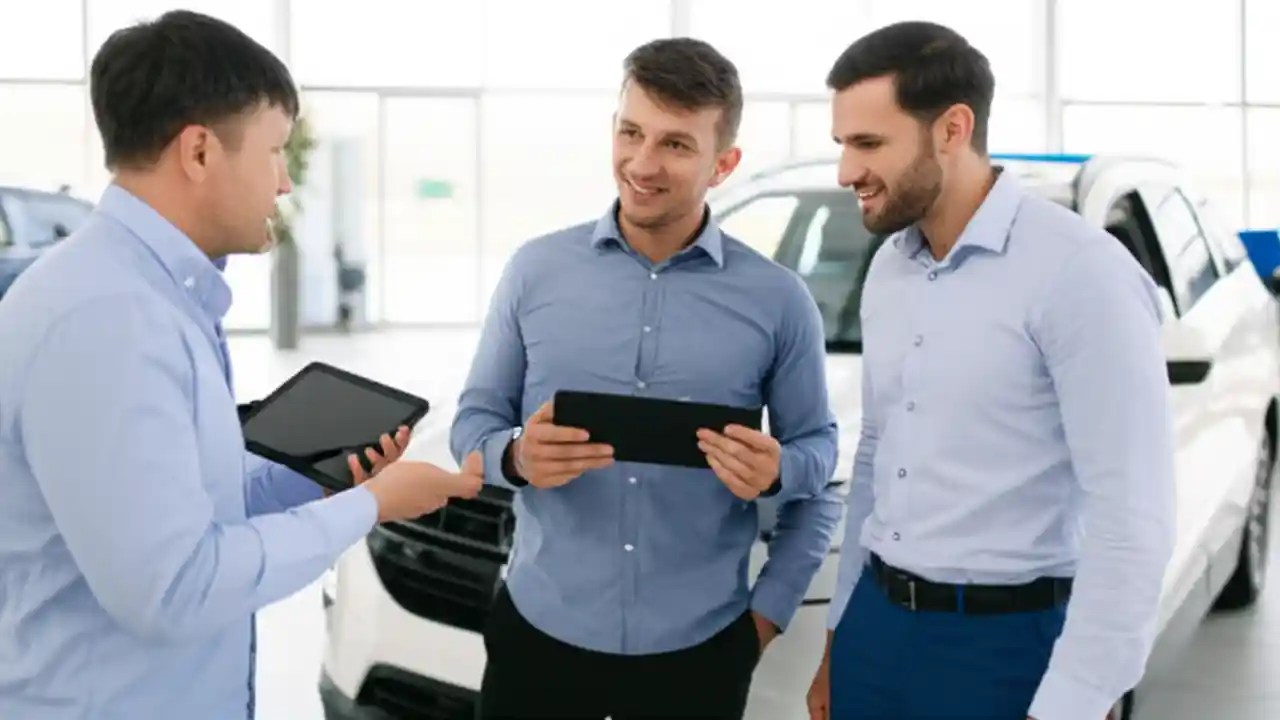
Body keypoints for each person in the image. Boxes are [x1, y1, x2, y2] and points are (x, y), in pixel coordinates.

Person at [0, 11, 482, 720]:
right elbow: (175, 586)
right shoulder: (108, 320)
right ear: (198, 152)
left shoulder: (147, 296)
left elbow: (198, 509)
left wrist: (313, 480)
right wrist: (371, 506)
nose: (285, 182)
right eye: (275, 151)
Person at [450, 37, 843, 720]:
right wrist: (513, 455)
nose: (642, 163)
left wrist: (764, 615)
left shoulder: (779, 302)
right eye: (631, 132)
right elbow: (471, 427)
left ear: (724, 163)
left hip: (699, 656)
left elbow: (819, 460)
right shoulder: (534, 272)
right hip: (537, 642)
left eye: (676, 145)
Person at [803, 21, 1176, 720]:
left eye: (868, 143)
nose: (846, 171)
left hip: (1009, 647)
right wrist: (838, 639)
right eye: (843, 144)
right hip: (877, 630)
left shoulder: (1080, 274)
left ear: (951, 129)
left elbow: (1133, 519)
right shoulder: (889, 266)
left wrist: (1074, 703)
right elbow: (880, 458)